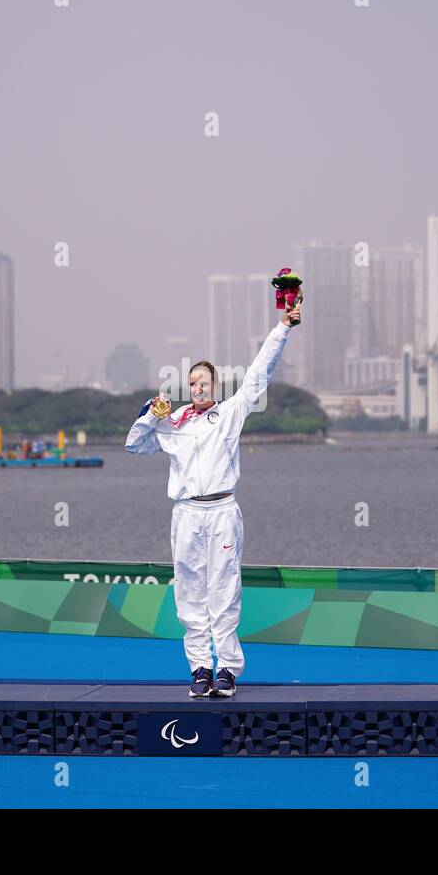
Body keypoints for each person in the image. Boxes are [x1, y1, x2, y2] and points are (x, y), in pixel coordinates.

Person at [125, 292, 302, 698]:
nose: (199, 387)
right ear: (186, 386)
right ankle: (200, 668)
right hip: (186, 513)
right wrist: (151, 416)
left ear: (215, 386)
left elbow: (260, 372)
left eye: (205, 382)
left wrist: (284, 327)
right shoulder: (172, 424)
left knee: (224, 590)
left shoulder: (231, 414)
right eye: (193, 382)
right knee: (189, 593)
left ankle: (228, 669)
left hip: (222, 509)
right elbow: (135, 445)